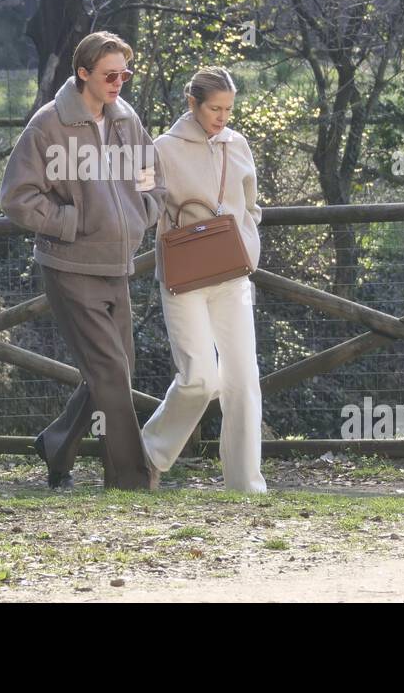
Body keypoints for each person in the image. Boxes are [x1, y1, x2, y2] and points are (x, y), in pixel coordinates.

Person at [0, 32, 166, 490]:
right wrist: (72, 222)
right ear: (84, 73)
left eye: (125, 74)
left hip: (118, 265)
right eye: (110, 75)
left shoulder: (126, 119)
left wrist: (143, 212)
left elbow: (153, 175)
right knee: (110, 372)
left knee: (113, 373)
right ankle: (131, 479)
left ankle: (58, 444)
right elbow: (17, 198)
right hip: (70, 268)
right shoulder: (49, 124)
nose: (119, 83)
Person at [142, 66, 267, 493]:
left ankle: (245, 482)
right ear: (192, 103)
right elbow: (142, 202)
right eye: (215, 108)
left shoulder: (239, 144)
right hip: (182, 273)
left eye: (229, 109)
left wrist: (249, 245)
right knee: (200, 378)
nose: (222, 117)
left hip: (232, 272)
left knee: (243, 379)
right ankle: (149, 453)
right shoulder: (161, 148)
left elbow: (251, 206)